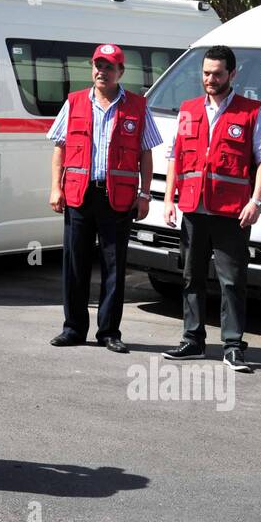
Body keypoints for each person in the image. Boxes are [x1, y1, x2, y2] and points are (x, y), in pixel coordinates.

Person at [161, 45, 261, 373]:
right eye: (206, 73)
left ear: (232, 75)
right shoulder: (188, 109)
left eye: (218, 74)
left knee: (232, 280)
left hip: (231, 212)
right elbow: (175, 157)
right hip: (194, 208)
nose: (210, 79)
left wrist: (256, 201)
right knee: (191, 277)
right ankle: (192, 340)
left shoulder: (250, 112)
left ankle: (234, 346)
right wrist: (169, 199)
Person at [47, 43, 161, 351]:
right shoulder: (74, 103)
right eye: (98, 65)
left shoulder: (137, 106)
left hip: (118, 198)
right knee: (75, 264)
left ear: (121, 72)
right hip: (79, 195)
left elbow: (145, 153)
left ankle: (109, 332)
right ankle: (73, 328)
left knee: (114, 266)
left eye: (109, 66)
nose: (102, 71)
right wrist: (55, 188)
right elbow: (60, 147)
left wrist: (145, 194)